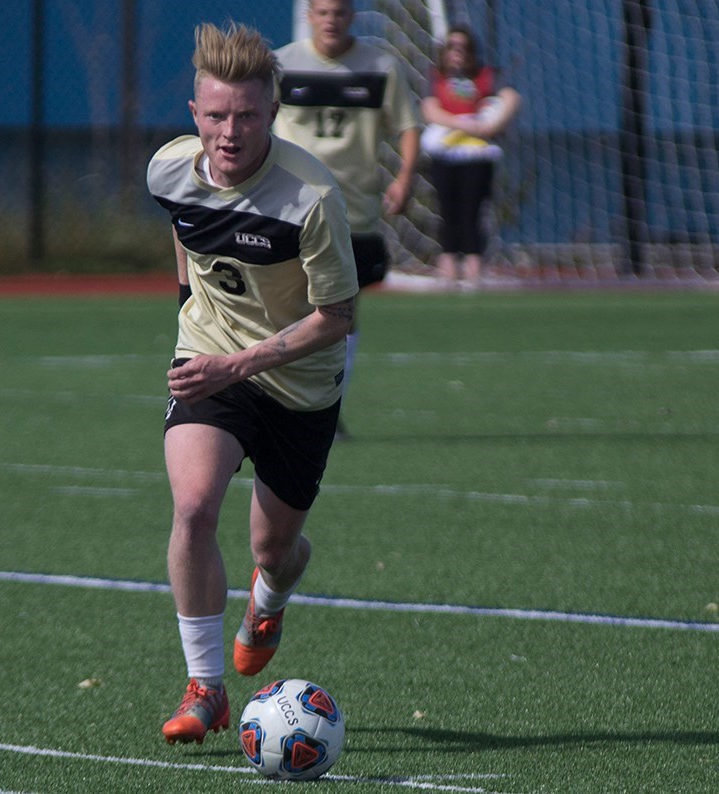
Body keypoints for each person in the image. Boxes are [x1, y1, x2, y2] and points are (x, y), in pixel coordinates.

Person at [146, 21, 359, 746]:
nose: (229, 133)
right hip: (210, 362)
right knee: (195, 506)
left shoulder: (311, 198)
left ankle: (269, 600)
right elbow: (184, 223)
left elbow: (339, 316)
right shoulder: (168, 169)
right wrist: (192, 316)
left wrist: (237, 362)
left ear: (272, 112)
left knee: (275, 548)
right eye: (216, 116)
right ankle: (204, 687)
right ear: (194, 114)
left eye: (245, 116)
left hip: (301, 384)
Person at [273, 0, 421, 439]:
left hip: (353, 214)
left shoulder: (379, 66)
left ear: (351, 15)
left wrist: (405, 177)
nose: (330, 20)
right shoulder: (282, 64)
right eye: (322, 12)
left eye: (338, 12)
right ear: (310, 16)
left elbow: (408, 126)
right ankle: (277, 405)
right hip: (288, 212)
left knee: (341, 313)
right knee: (283, 306)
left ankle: (327, 410)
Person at [420, 24, 520, 288]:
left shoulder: (485, 77)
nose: (457, 53)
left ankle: (474, 268)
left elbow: (510, 98)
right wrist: (464, 124)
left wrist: (490, 125)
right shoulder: (435, 79)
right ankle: (448, 267)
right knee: (447, 210)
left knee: (473, 211)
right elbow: (430, 111)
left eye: (463, 48)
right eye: (452, 47)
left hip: (476, 156)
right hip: (446, 153)